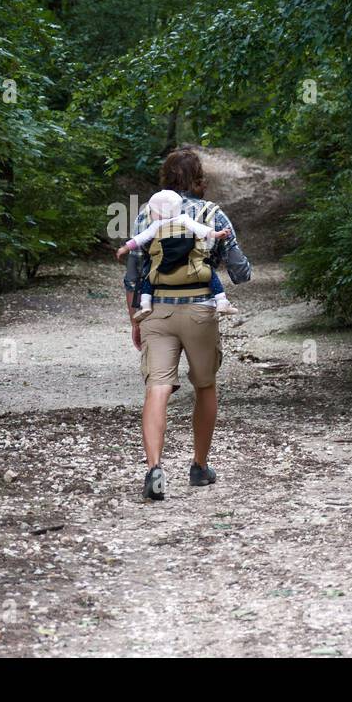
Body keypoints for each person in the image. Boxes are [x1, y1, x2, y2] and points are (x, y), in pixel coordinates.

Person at [123, 149, 251, 501]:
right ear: (199, 178)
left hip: (156, 311)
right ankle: (199, 466)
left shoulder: (146, 217)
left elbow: (132, 276)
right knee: (205, 385)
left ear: (165, 178)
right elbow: (241, 272)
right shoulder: (213, 214)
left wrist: (135, 319)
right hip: (200, 311)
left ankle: (154, 468)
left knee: (157, 388)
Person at [115, 188, 236, 317]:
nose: (150, 214)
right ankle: (221, 300)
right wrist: (217, 234)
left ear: (159, 213)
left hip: (162, 265)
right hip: (190, 264)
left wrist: (125, 248)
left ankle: (145, 303)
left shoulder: (156, 225)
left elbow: (140, 239)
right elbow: (202, 230)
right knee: (210, 273)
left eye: (152, 211)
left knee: (148, 274)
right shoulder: (185, 219)